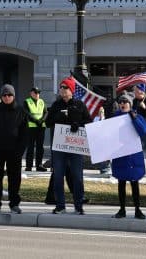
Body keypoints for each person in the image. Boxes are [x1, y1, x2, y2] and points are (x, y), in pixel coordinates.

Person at [48, 77, 91, 214]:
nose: (62, 89)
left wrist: (78, 124)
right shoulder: (56, 105)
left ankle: (78, 206)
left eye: (65, 87)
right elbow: (48, 122)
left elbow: (88, 121)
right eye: (61, 87)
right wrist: (59, 118)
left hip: (74, 147)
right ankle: (60, 205)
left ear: (71, 90)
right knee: (58, 176)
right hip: (59, 147)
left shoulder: (79, 105)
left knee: (77, 177)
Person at [0, 84, 28, 214]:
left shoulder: (21, 111)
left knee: (14, 179)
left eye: (10, 95)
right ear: (1, 96)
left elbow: (24, 134)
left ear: (13, 96)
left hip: (14, 151)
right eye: (4, 95)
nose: (7, 97)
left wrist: (20, 151)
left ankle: (14, 204)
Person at [111, 92, 146, 219]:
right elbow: (107, 133)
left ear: (130, 104)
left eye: (125, 102)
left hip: (133, 155)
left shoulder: (137, 116)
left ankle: (138, 210)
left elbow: (143, 131)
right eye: (120, 102)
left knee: (134, 182)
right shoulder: (115, 117)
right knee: (121, 182)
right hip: (120, 154)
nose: (122, 104)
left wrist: (134, 118)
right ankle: (122, 210)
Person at [24, 87, 47, 172]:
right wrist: (36, 121)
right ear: (31, 93)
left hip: (41, 127)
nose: (37, 94)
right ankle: (29, 166)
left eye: (38, 93)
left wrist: (42, 120)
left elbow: (46, 112)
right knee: (30, 147)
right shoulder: (27, 101)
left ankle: (39, 165)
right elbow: (27, 113)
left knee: (40, 147)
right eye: (35, 92)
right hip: (31, 127)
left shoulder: (41, 101)